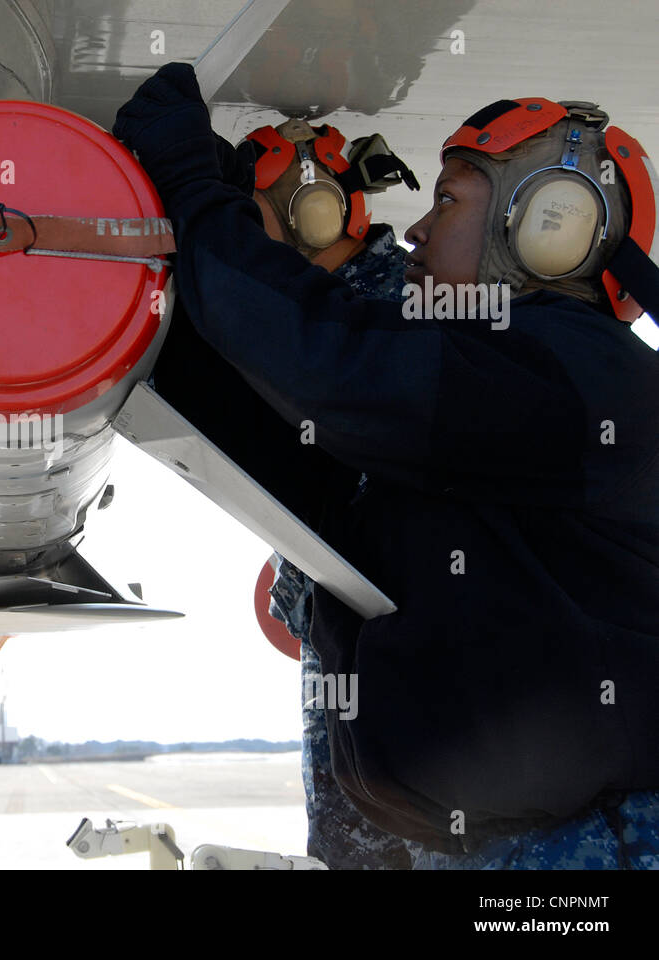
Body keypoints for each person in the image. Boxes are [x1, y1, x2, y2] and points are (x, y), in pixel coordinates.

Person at [118, 65, 659, 868]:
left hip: (587, 855)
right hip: (508, 846)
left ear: (551, 223)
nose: (413, 232)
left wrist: (194, 190)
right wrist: (193, 270)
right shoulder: (486, 395)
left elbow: (331, 367)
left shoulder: (576, 371)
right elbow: (303, 465)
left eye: (447, 201)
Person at [156, 116, 418, 870]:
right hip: (348, 643)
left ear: (315, 213)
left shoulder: (380, 315)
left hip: (385, 654)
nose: (242, 241)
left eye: (251, 218)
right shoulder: (332, 319)